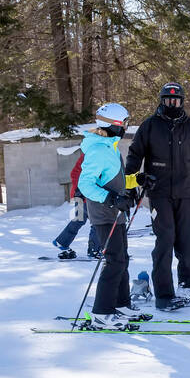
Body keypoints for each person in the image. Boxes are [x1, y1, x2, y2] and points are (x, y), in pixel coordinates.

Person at [125, 82, 190, 309]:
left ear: (182, 102)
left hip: (185, 195)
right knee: (164, 242)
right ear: (161, 101)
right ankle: (164, 295)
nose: (172, 104)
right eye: (167, 100)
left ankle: (188, 285)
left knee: (186, 243)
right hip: (159, 194)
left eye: (176, 100)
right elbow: (134, 155)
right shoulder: (150, 126)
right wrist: (132, 184)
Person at [78, 104, 148, 329]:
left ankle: (120, 305)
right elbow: (85, 184)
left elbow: (117, 181)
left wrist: (138, 180)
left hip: (116, 213)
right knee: (114, 262)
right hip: (104, 214)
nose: (126, 127)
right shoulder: (98, 150)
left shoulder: (110, 148)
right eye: (124, 123)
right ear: (114, 125)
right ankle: (101, 313)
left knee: (122, 260)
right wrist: (111, 199)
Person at [52, 149, 103, 259]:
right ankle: (94, 250)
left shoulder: (93, 155)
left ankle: (62, 242)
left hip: (83, 195)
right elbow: (75, 173)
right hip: (82, 196)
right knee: (96, 221)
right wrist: (81, 190)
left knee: (79, 220)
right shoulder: (91, 155)